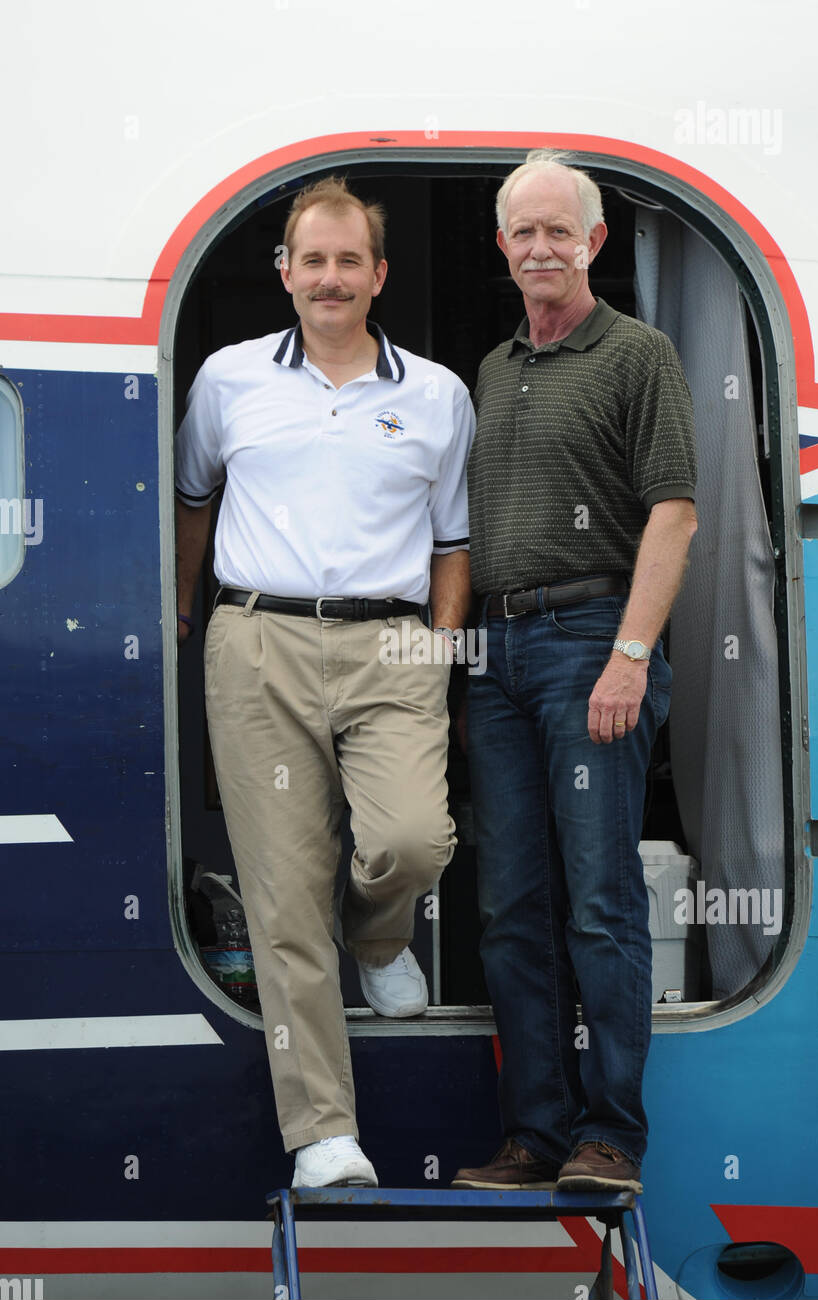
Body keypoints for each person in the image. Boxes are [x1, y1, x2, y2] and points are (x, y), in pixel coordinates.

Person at [175, 176, 473, 1188]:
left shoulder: (437, 394)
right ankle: (322, 1134)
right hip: (256, 640)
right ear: (285, 272)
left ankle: (380, 933)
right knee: (282, 895)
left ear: (378, 274)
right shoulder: (225, 380)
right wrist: (184, 623)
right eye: (313, 260)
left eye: (350, 261)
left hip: (392, 644)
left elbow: (451, 544)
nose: (331, 278)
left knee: (411, 837)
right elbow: (191, 504)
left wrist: (437, 646)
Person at [452, 151, 697, 1194]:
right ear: (502, 247)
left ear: (594, 243)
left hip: (591, 642)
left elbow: (674, 514)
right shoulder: (492, 370)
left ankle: (611, 1138)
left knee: (598, 901)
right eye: (524, 232)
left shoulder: (636, 354)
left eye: (561, 230)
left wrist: (629, 657)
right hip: (496, 661)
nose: (542, 247)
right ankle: (535, 1137)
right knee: (509, 903)